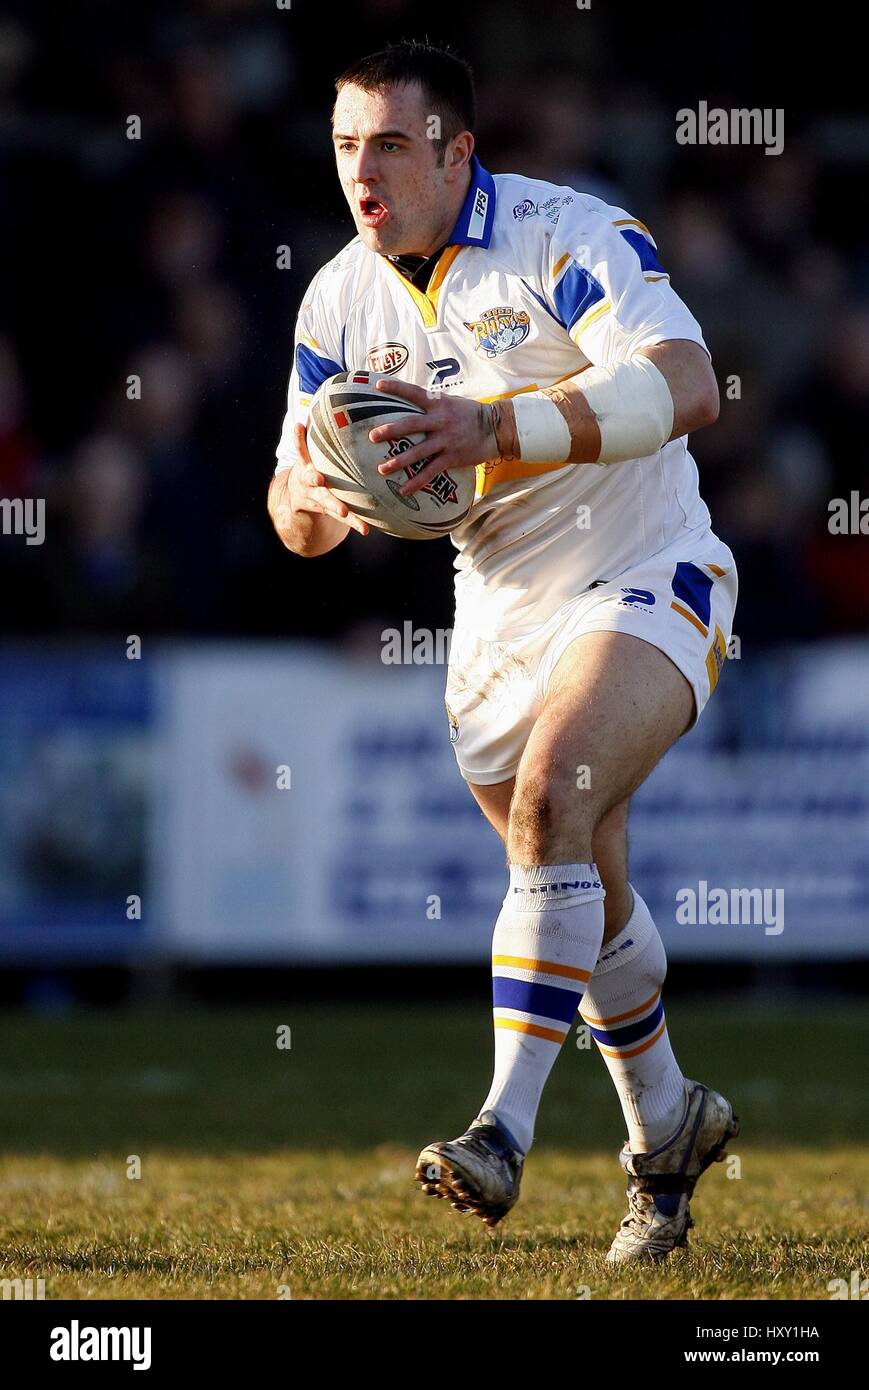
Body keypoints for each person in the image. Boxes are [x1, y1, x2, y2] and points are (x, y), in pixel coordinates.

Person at [268, 40, 739, 1264]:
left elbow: (689, 384)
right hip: (492, 616)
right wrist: (334, 496)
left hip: (643, 569)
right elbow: (290, 510)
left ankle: (500, 1132)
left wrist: (487, 425)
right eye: (341, 148)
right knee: (581, 886)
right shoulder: (336, 300)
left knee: (548, 803)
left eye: (386, 144)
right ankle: (669, 1129)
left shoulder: (561, 233)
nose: (359, 173)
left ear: (454, 150)